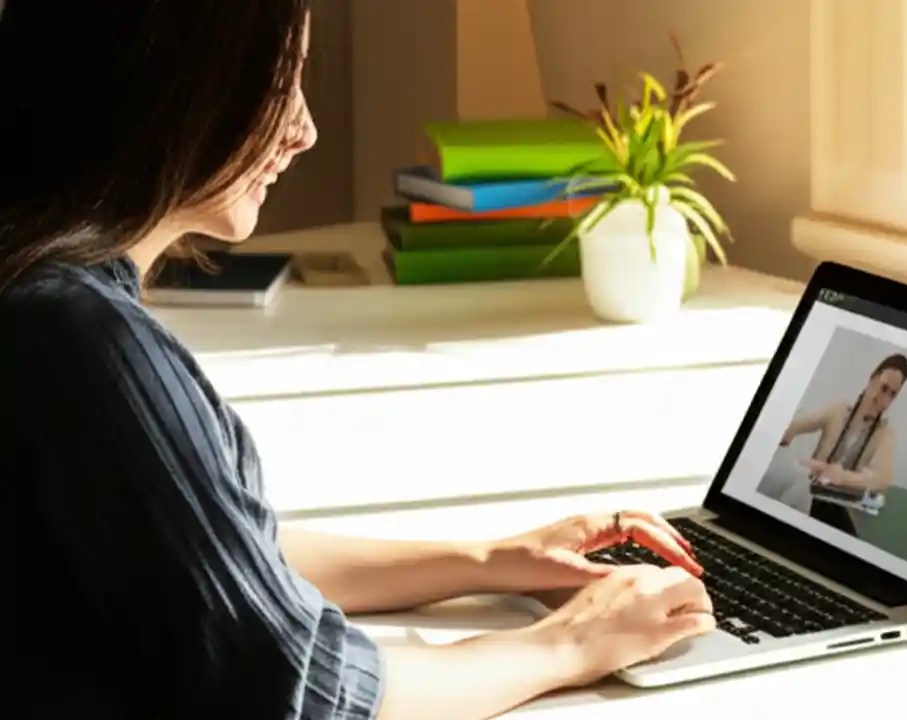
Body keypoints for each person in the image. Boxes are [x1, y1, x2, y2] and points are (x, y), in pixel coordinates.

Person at [0, 3, 715, 718]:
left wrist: (487, 561)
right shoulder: (81, 338)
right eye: (281, 84)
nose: (303, 129)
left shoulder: (41, 292)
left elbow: (205, 557)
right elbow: (304, 690)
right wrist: (571, 644)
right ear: (180, 87)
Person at [777, 354, 907, 534]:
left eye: (892, 394)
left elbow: (882, 480)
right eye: (883, 388)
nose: (884, 399)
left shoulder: (885, 434)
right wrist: (796, 452)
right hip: (809, 495)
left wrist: (841, 477)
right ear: (871, 380)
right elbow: (795, 427)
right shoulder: (838, 410)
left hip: (840, 509)